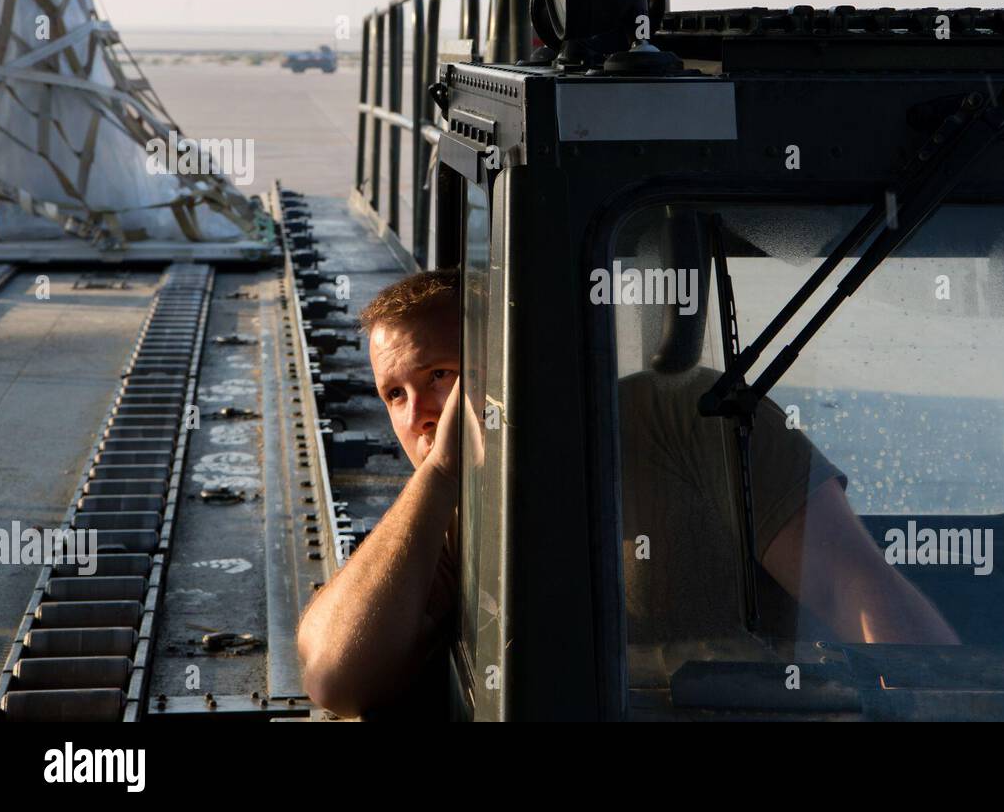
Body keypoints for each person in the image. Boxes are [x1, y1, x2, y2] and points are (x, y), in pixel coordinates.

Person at [298, 270, 957, 718]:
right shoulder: (450, 513)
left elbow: (860, 596)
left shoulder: (671, 416)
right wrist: (439, 476)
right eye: (396, 394)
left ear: (507, 357)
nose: (421, 412)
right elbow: (333, 676)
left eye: (441, 375)